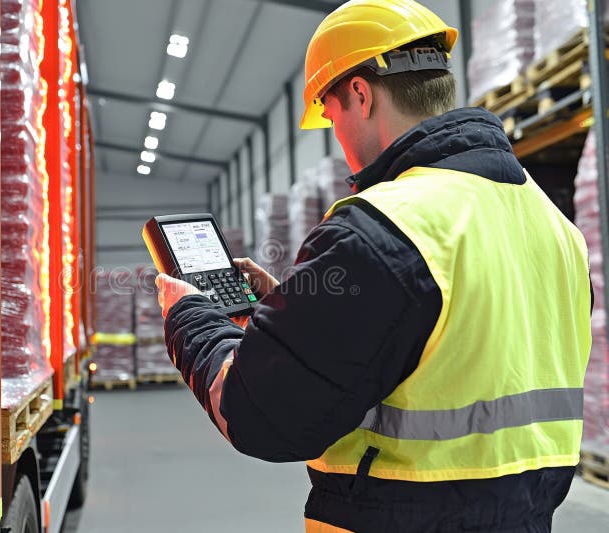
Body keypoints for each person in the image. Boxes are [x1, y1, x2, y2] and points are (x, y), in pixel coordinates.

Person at [154, 1, 593, 531]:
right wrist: (295, 312)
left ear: (359, 95)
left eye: (331, 113)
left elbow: (260, 413)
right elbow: (449, 347)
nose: (336, 137)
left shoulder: (384, 227)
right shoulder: (555, 226)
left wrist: (190, 317)